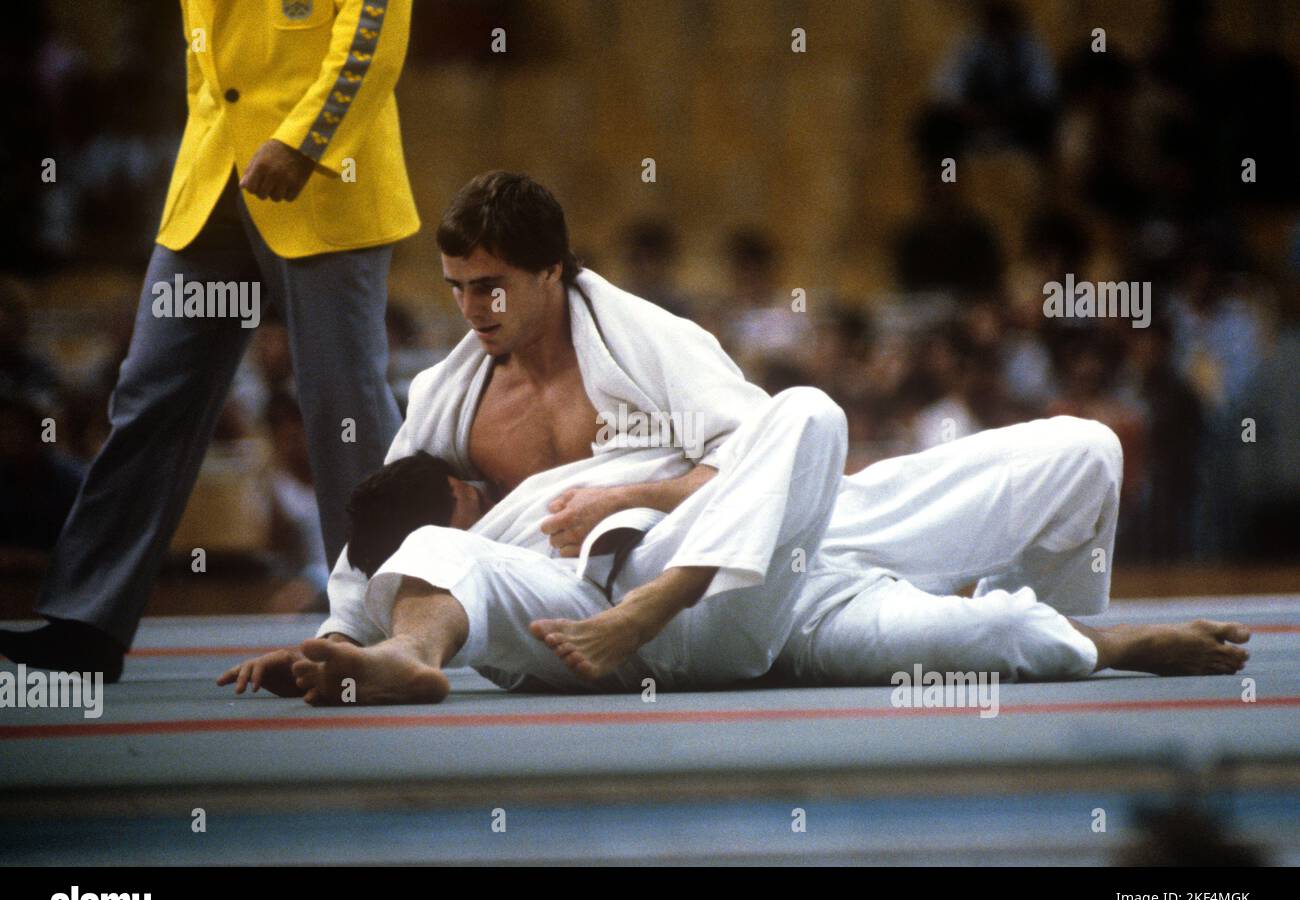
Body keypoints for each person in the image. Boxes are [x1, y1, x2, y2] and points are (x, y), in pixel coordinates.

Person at [218, 172, 1249, 705]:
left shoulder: (644, 337)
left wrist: (647, 497)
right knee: (978, 636)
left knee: (1078, 453)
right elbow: (387, 537)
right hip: (651, 600)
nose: (473, 308)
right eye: (456, 289)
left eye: (491, 285)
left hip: (785, 531)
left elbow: (761, 447)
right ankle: (1091, 647)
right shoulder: (447, 398)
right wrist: (338, 641)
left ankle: (1070, 641)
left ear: (550, 272)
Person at [1, 0, 419, 682]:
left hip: (320, 177)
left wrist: (304, 140)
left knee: (343, 407)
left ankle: (381, 624)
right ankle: (88, 620)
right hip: (211, 184)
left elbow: (373, 34)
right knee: (148, 393)